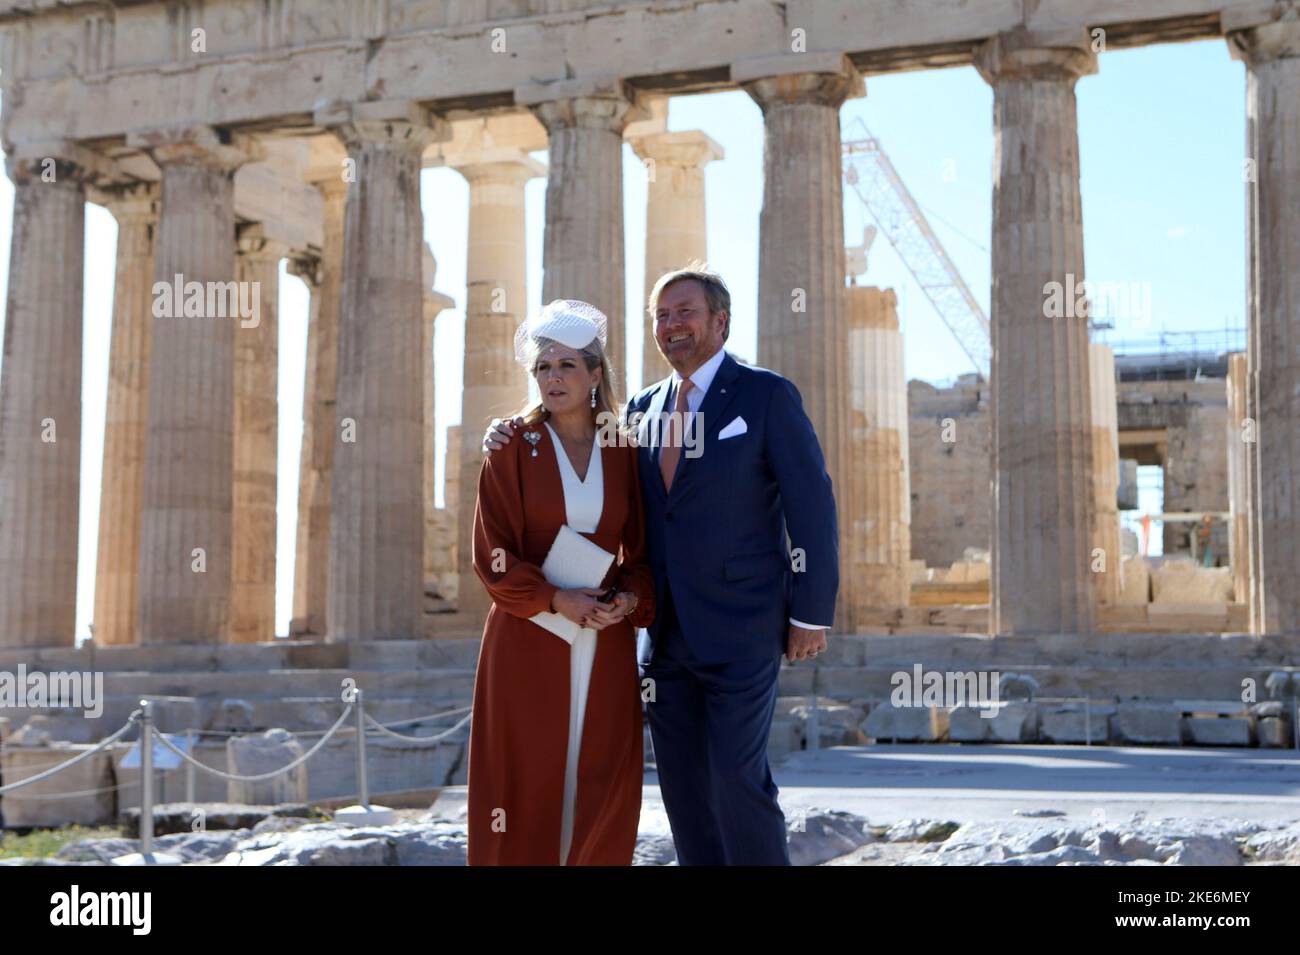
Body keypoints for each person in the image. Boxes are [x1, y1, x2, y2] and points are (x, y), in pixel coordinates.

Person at [485, 264, 838, 865]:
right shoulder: (638, 413)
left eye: (685, 312)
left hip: (742, 626)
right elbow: (617, 505)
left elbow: (812, 505)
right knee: (683, 791)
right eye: (661, 315)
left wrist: (810, 614)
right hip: (659, 637)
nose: (672, 325)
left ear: (719, 322)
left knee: (736, 778)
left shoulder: (765, 395)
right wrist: (507, 430)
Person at [467, 299, 656, 866]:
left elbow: (643, 557)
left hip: (604, 637)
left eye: (568, 365)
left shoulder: (624, 450)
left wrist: (627, 599)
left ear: (596, 374)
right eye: (544, 368)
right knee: (525, 780)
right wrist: (554, 598)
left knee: (601, 782)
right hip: (528, 636)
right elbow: (491, 555)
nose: (554, 378)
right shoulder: (510, 448)